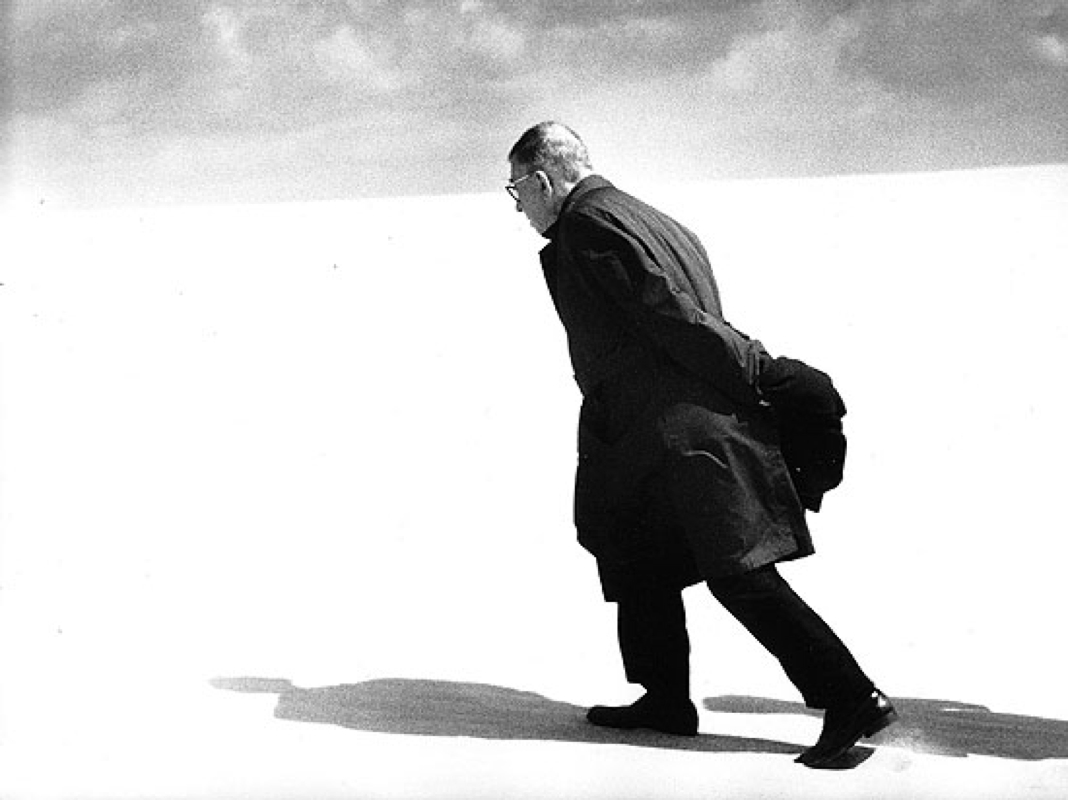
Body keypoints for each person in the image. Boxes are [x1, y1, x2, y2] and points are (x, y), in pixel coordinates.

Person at [505, 121, 897, 768]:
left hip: (679, 429)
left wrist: (757, 371)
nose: (519, 207)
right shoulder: (648, 216)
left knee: (739, 572)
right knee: (636, 556)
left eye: (517, 190)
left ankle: (851, 697)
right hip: (649, 431)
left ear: (543, 180)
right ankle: (664, 698)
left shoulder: (589, 226)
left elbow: (672, 317)